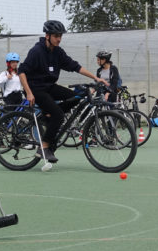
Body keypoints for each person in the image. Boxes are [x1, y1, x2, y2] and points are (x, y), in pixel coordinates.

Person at [17, 20, 108, 163]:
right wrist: (28, 93)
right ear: (47, 36)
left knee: (76, 96)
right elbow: (21, 72)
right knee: (58, 115)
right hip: (36, 89)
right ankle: (44, 147)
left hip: (50, 86)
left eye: (60, 36)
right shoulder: (36, 51)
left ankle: (49, 117)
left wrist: (96, 78)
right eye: (56, 36)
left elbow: (75, 66)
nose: (59, 39)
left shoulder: (58, 52)